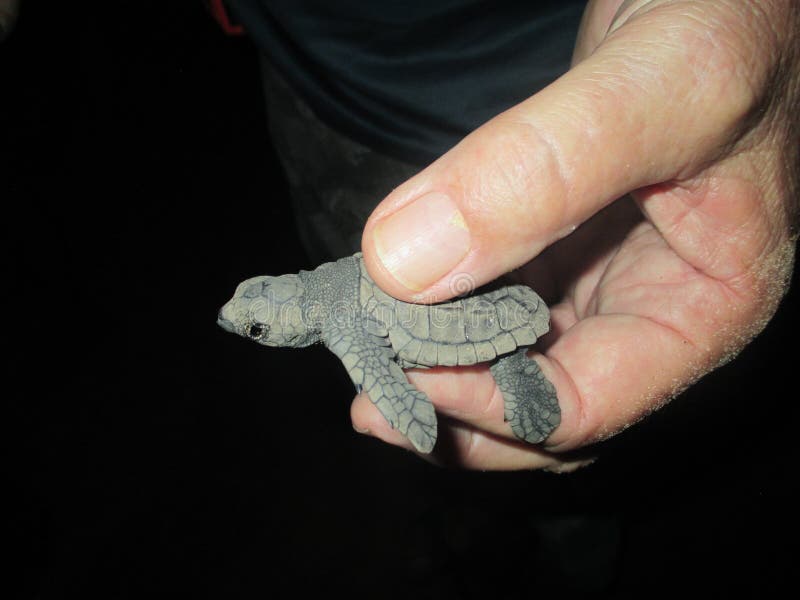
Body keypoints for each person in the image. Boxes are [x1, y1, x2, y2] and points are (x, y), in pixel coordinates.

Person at [228, 0, 799, 471]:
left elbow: (386, 382)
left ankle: (554, 498)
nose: (245, 324)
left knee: (493, 395)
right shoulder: (333, 290)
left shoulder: (345, 323)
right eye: (255, 316)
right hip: (310, 67)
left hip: (527, 71)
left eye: (257, 326)